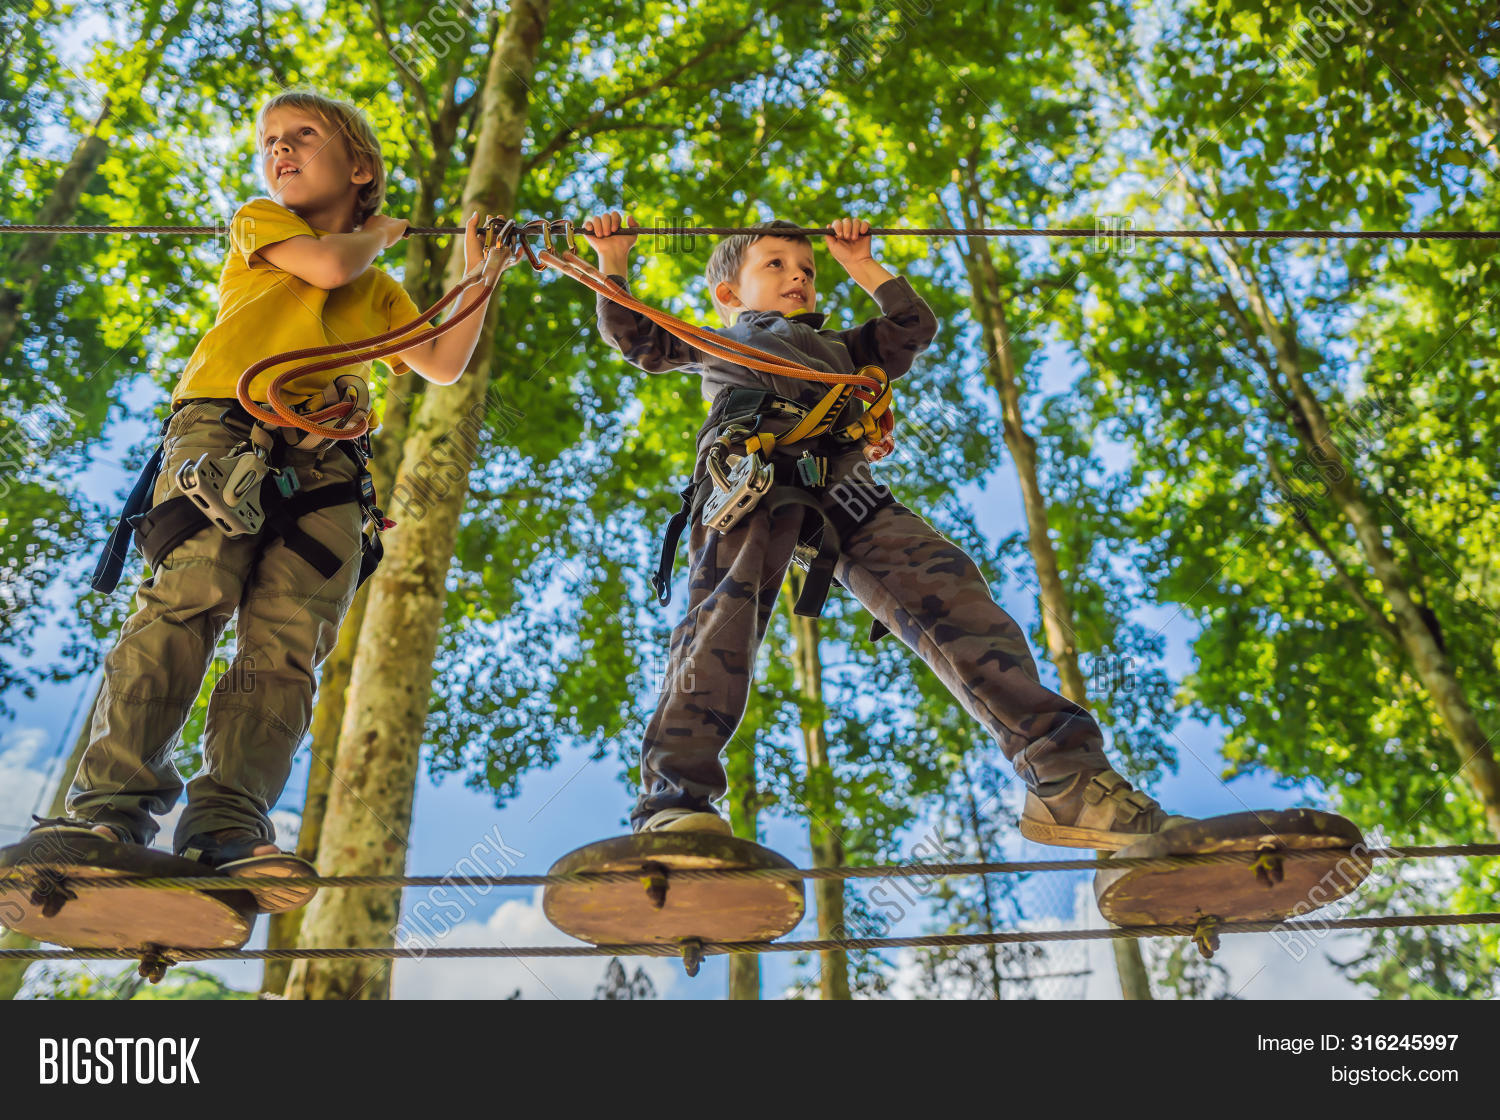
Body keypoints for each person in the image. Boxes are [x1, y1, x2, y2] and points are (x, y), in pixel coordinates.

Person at [30, 89, 513, 912]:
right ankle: (107, 811)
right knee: (186, 600)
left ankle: (226, 826)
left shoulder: (377, 284)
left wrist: (482, 272)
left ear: (359, 167)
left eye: (303, 136)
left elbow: (440, 361)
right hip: (226, 430)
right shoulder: (263, 224)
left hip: (327, 467)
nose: (279, 150)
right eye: (270, 141)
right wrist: (375, 234)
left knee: (286, 646)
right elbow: (328, 266)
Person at [583, 211, 1189, 850]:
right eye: (776, 265)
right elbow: (635, 335)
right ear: (729, 293)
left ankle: (1067, 781)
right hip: (748, 475)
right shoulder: (718, 339)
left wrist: (860, 264)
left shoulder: (845, 348)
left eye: (807, 269)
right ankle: (675, 805)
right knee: (720, 626)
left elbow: (911, 326)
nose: (799, 277)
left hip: (848, 490)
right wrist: (612, 260)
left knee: (952, 593)